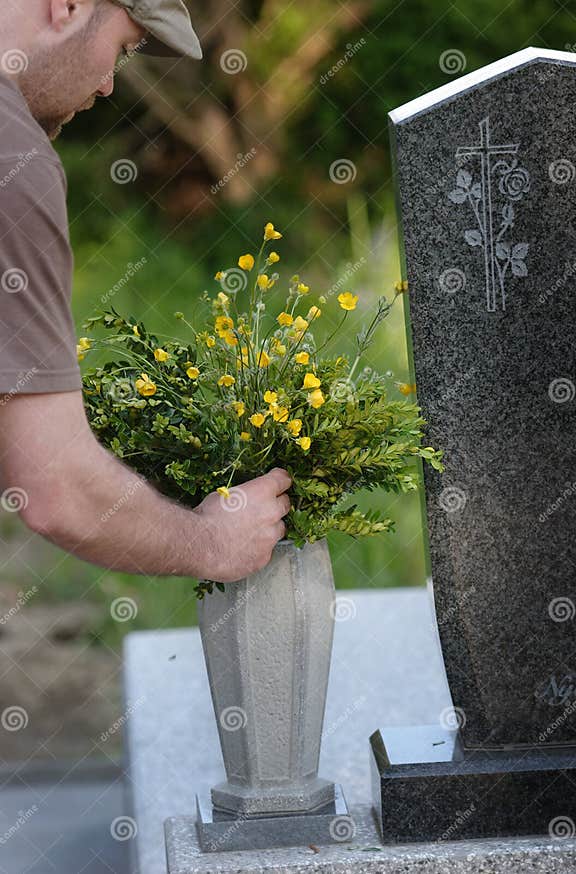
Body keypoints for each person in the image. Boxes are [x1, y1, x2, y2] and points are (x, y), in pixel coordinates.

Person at [0, 0, 292, 584]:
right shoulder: (14, 161)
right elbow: (57, 490)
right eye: (124, 47)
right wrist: (215, 542)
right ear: (69, 6)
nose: (109, 85)